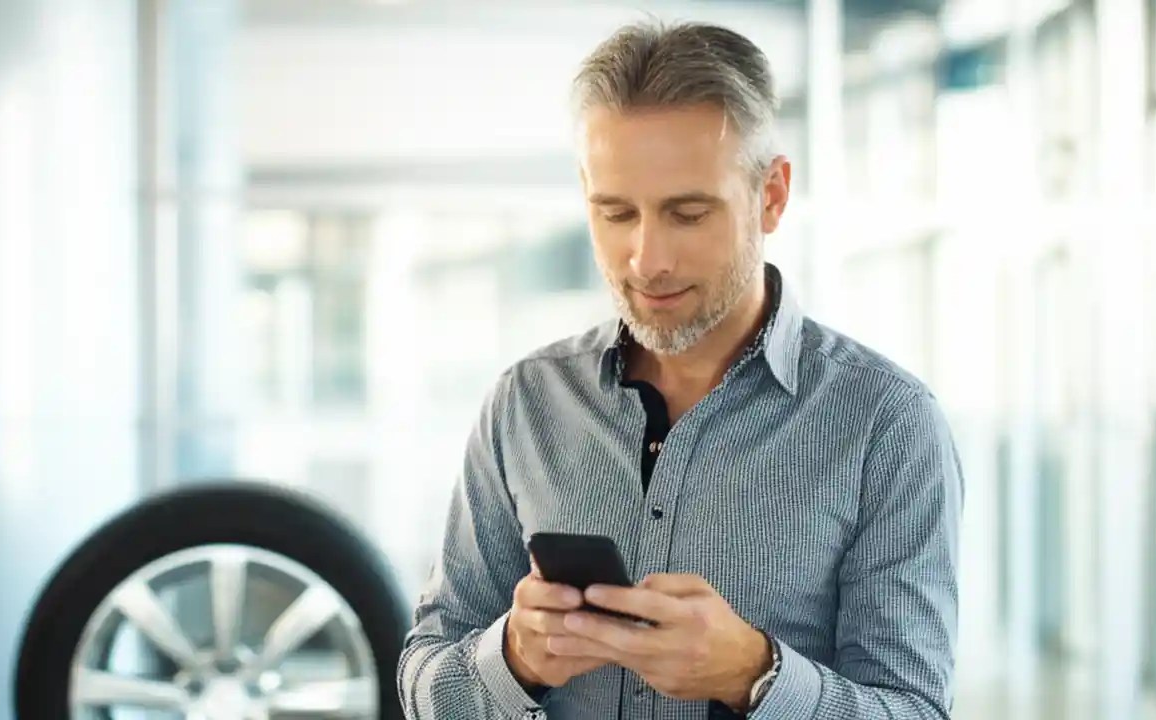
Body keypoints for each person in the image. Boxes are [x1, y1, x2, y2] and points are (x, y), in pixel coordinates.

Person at [397, 19, 962, 720]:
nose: (646, 258)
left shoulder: (886, 424)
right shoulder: (526, 404)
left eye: (687, 213)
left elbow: (912, 711)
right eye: (615, 213)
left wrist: (756, 674)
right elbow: (424, 683)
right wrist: (513, 657)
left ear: (772, 196)